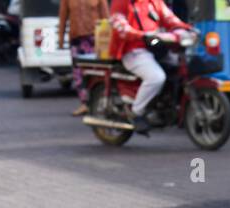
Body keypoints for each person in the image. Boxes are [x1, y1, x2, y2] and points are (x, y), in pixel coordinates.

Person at [108, 0, 192, 134]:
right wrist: (141, 35)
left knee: (182, 68)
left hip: (156, 47)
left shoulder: (154, 2)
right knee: (156, 78)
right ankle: (136, 112)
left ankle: (166, 104)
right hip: (133, 50)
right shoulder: (121, 2)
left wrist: (186, 28)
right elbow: (119, 25)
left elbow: (169, 18)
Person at [59, 0, 110, 117]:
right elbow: (63, 16)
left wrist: (109, 38)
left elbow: (105, 16)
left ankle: (99, 101)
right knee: (78, 73)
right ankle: (84, 103)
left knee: (98, 71)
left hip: (95, 39)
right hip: (76, 39)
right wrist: (61, 38)